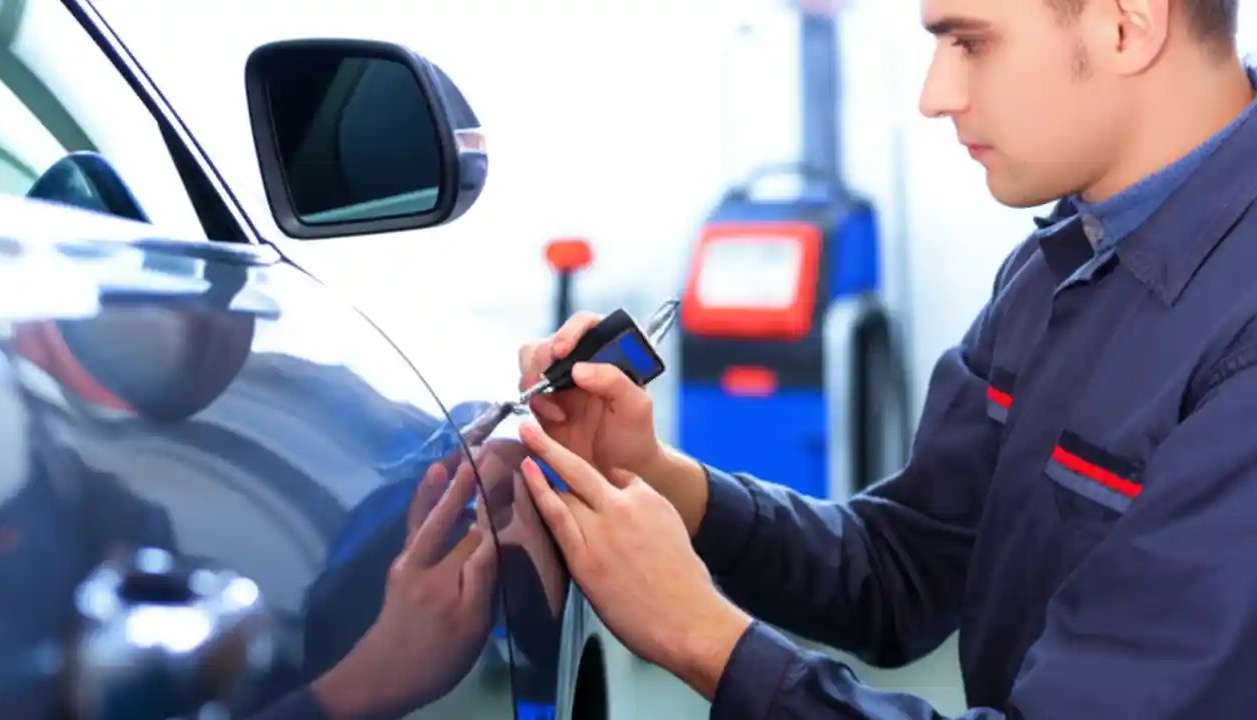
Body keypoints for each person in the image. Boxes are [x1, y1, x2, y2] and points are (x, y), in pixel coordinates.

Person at [514, 0, 1257, 717]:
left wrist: (700, 637)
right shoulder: (1057, 266)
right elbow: (903, 568)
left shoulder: (1241, 353)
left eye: (970, 42)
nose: (935, 96)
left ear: (1128, 27)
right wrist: (664, 480)